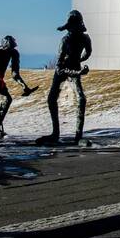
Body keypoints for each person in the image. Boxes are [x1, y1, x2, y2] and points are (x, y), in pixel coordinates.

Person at [36, 10, 92, 146]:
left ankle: (78, 136)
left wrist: (79, 61)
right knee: (51, 99)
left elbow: (88, 52)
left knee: (81, 99)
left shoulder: (85, 38)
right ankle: (55, 133)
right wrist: (78, 71)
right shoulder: (65, 40)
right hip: (63, 70)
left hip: (75, 68)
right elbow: (60, 67)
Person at [0, 36, 37, 138]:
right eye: (9, 48)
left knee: (7, 99)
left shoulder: (14, 53)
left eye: (12, 48)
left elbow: (15, 73)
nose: (11, 50)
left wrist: (24, 86)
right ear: (3, 46)